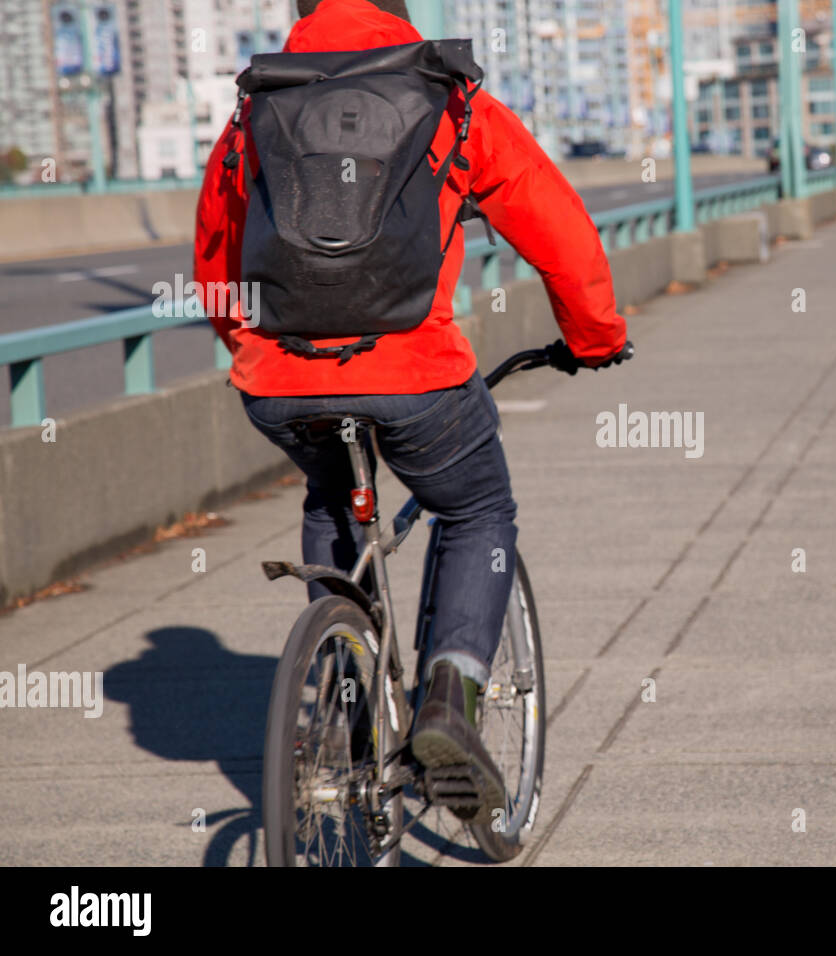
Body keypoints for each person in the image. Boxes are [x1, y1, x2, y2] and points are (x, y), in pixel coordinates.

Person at [194, 0, 629, 817]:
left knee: (331, 497)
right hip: (416, 375)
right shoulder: (451, 97)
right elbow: (558, 228)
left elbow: (217, 255)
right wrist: (596, 336)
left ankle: (346, 688)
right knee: (475, 510)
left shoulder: (258, 105)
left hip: (280, 382)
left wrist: (258, 352)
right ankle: (450, 703)